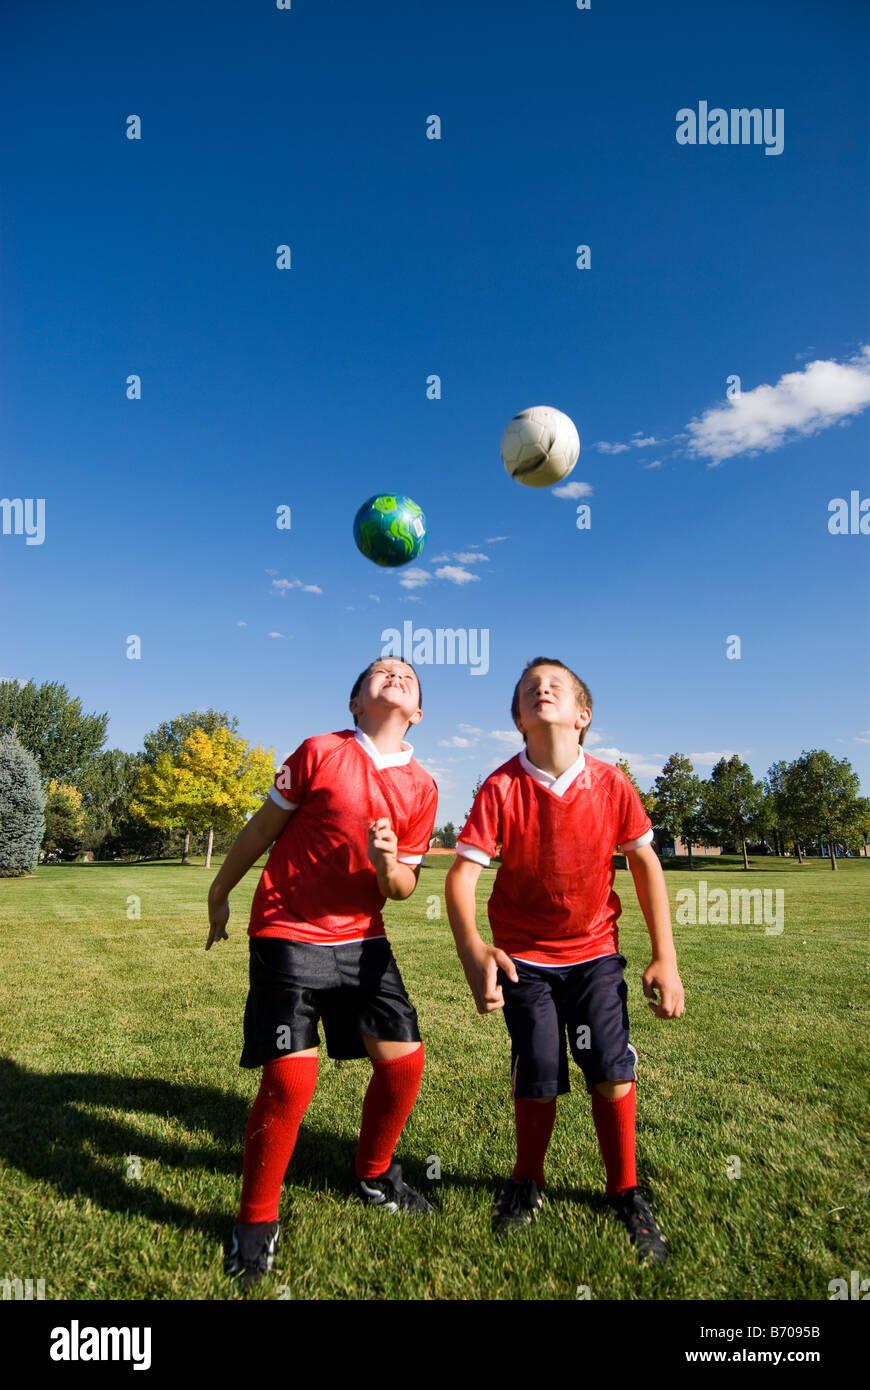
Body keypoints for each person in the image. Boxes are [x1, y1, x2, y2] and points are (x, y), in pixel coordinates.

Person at [206, 657, 438, 1286]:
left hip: (363, 939)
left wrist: (388, 862)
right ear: (355, 703)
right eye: (380, 672)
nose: (395, 675)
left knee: (405, 1059)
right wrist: (220, 891)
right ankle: (255, 1221)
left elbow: (402, 889)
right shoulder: (318, 751)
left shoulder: (422, 787)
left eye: (407, 676)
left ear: (417, 712)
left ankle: (374, 1172)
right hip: (288, 929)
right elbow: (262, 826)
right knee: (290, 1081)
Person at [445, 657, 684, 1262]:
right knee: (540, 1069)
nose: (541, 690)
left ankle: (625, 1191)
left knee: (609, 1064)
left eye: (557, 686)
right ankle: (528, 1181)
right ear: (520, 721)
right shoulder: (501, 787)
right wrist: (475, 950)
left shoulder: (612, 784)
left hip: (596, 952)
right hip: (525, 958)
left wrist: (666, 958)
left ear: (584, 715)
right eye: (530, 690)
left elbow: (644, 863)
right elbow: (461, 877)